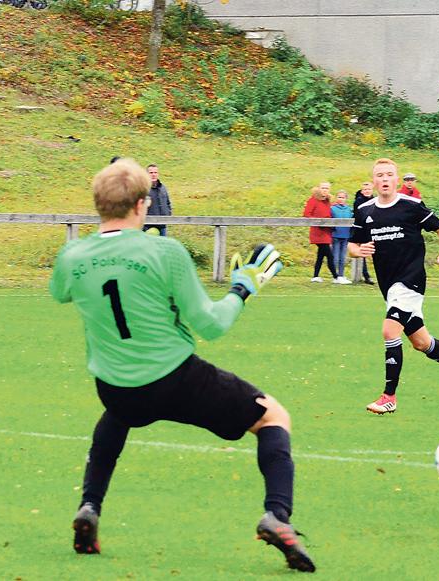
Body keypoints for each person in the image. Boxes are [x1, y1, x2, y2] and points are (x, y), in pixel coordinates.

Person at [49, 159, 314, 572]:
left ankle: (89, 506)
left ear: (99, 204)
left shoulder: (72, 254)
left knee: (117, 415)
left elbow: (61, 293)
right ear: (143, 204)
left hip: (115, 383)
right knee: (273, 417)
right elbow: (212, 324)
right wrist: (242, 289)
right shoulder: (165, 251)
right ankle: (277, 516)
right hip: (174, 378)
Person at [349, 158, 439, 414]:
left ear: (396, 180)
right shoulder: (364, 211)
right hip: (388, 286)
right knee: (421, 342)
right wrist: (358, 251)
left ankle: (389, 396)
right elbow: (352, 246)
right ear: (373, 181)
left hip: (411, 279)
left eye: (389, 174)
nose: (384, 179)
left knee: (389, 331)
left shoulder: (412, 206)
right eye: (379, 175)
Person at [302, 184, 337, 283]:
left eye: (327, 188)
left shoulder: (328, 201)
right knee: (329, 255)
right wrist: (319, 222)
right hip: (318, 232)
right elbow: (307, 214)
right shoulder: (313, 200)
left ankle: (315, 276)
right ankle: (336, 276)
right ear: (319, 189)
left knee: (321, 255)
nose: (325, 190)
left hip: (326, 231)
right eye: (323, 188)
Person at [353, 182, 376, 284]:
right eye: (365, 190)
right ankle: (366, 275)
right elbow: (359, 216)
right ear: (362, 191)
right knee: (363, 251)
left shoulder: (375, 200)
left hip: (374, 229)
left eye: (369, 189)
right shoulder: (358, 201)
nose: (367, 191)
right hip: (363, 230)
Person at [330, 190, 353, 284]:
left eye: (343, 197)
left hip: (346, 235)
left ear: (346, 199)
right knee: (335, 257)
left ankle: (341, 275)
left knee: (342, 257)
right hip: (336, 235)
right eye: (339, 197)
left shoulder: (349, 209)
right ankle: (335, 276)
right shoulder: (333, 209)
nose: (341, 199)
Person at [144, 164, 172, 237]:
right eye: (151, 173)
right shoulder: (143, 189)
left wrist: (168, 214)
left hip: (162, 225)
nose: (153, 175)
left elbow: (168, 203)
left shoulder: (163, 188)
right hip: (147, 226)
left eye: (155, 172)